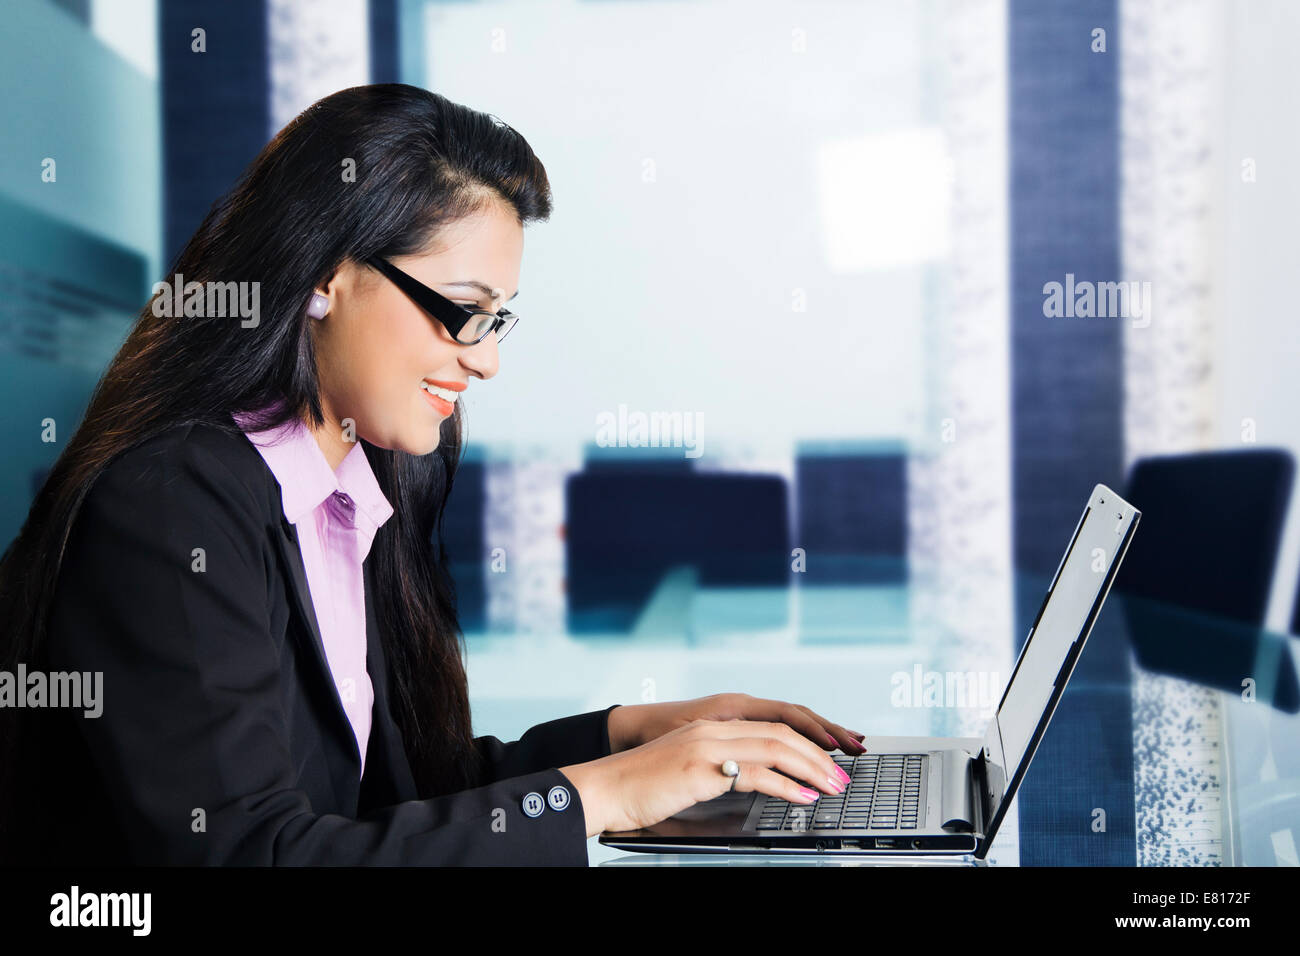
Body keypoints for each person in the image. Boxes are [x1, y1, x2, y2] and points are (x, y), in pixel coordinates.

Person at [0, 84, 864, 865]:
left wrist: (633, 737)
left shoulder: (350, 487)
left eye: (498, 321)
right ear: (325, 277)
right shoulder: (174, 505)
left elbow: (393, 800)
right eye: (463, 312)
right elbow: (249, 854)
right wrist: (607, 793)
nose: (484, 362)